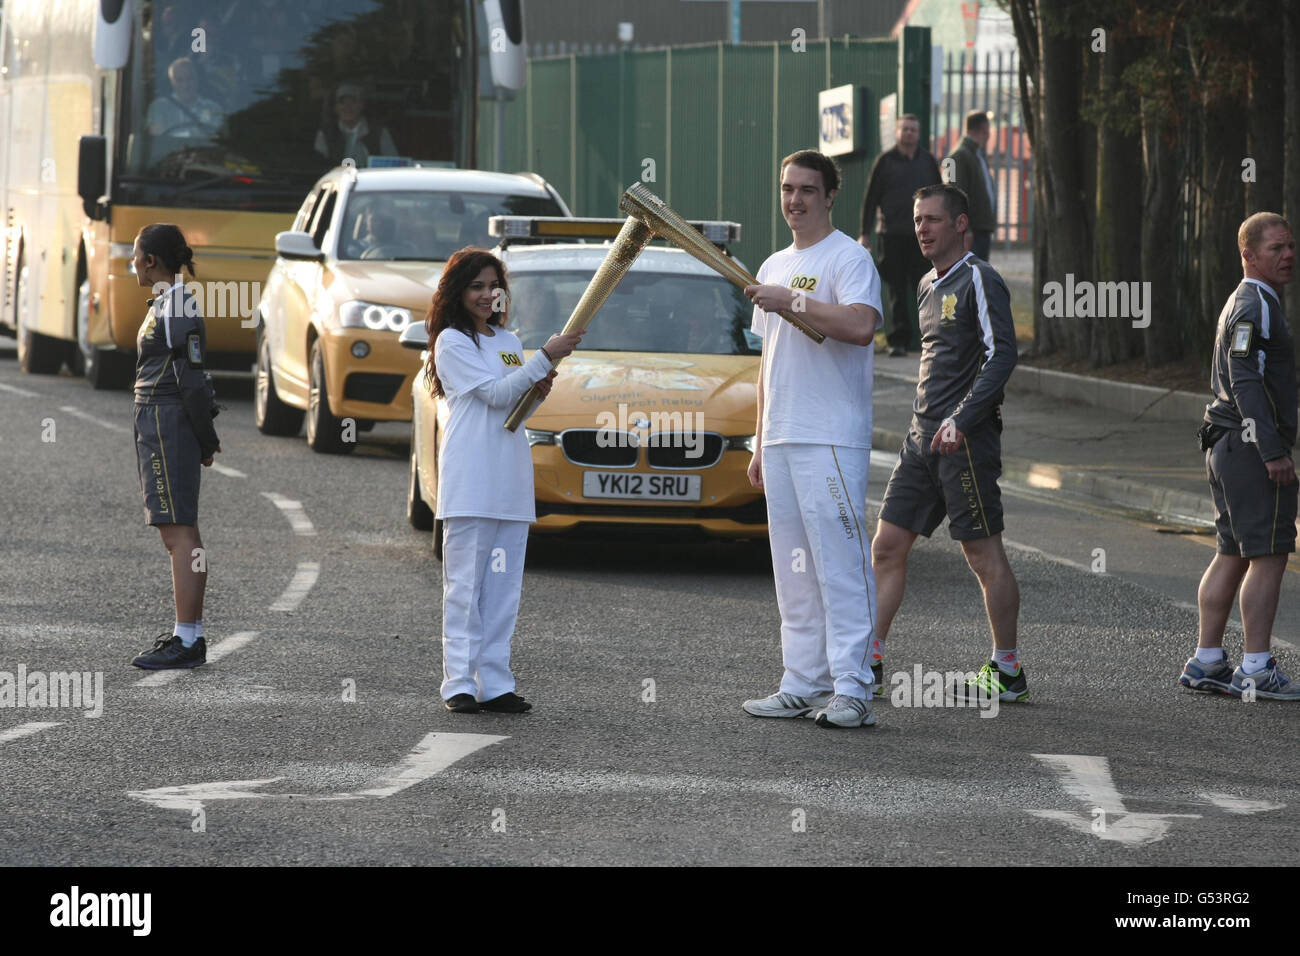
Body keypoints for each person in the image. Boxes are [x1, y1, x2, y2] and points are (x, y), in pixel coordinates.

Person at [740, 149, 884, 729]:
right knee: (793, 568)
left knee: (840, 565)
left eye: (806, 189)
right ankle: (801, 682)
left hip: (830, 437)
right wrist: (757, 438)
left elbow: (861, 326)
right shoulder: (773, 263)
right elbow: (767, 363)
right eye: (786, 188)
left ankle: (853, 689)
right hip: (781, 437)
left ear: (829, 196)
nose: (794, 199)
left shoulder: (849, 258)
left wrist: (793, 301)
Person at [870, 184, 1026, 703]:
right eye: (916, 220)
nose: (921, 229)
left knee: (982, 556)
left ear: (960, 224)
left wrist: (961, 419)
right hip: (920, 440)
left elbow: (1002, 355)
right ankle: (867, 660)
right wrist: (926, 424)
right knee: (887, 547)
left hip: (965, 444)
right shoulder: (924, 284)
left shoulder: (981, 279)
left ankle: (1007, 670)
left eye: (932, 220)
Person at [425, 248, 583, 714]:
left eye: (493, 285)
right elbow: (495, 397)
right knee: (464, 589)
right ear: (459, 292)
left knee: (502, 590)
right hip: (471, 480)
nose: (487, 294)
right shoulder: (452, 342)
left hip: (510, 482)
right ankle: (458, 682)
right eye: (476, 286)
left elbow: (516, 410)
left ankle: (494, 682)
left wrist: (538, 388)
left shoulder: (508, 340)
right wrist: (543, 359)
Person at [1183, 212, 1299, 699]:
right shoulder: (1254, 303)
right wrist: (1272, 449)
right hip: (1248, 446)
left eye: (1290, 245)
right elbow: (1245, 375)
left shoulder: (1249, 299)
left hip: (1226, 442)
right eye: (1276, 248)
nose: (1288, 255)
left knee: (1231, 552)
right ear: (1248, 254)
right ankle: (1255, 667)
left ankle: (1207, 660)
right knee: (1268, 554)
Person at [128, 224, 222, 670]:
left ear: (150, 260)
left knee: (180, 531)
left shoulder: (178, 306)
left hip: (169, 426)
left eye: (135, 254)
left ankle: (188, 639)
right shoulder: (167, 302)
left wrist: (205, 438)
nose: (132, 262)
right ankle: (189, 633)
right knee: (176, 530)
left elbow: (195, 382)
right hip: (159, 425)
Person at [859, 113, 941, 357]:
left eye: (913, 130)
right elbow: (871, 199)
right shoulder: (884, 162)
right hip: (891, 234)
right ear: (897, 132)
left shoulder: (927, 161)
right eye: (904, 129)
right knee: (896, 288)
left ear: (918, 133)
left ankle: (927, 339)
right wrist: (864, 233)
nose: (908, 133)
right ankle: (898, 340)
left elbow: (939, 197)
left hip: (922, 236)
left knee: (925, 286)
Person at [945, 110, 997, 261]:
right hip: (971, 232)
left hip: (980, 229)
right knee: (970, 276)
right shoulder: (959, 156)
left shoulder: (976, 155)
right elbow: (954, 194)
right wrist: (964, 229)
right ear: (983, 130)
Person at [314, 83, 398, 167]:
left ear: (362, 105)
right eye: (342, 102)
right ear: (335, 107)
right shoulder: (325, 134)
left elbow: (394, 166)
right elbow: (319, 168)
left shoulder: (380, 133)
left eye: (353, 102)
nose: (347, 107)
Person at [146, 57, 225, 138]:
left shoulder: (213, 109)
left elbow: (218, 141)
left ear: (197, 79)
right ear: (172, 82)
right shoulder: (159, 108)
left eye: (189, 79)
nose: (185, 85)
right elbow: (158, 142)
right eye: (179, 80)